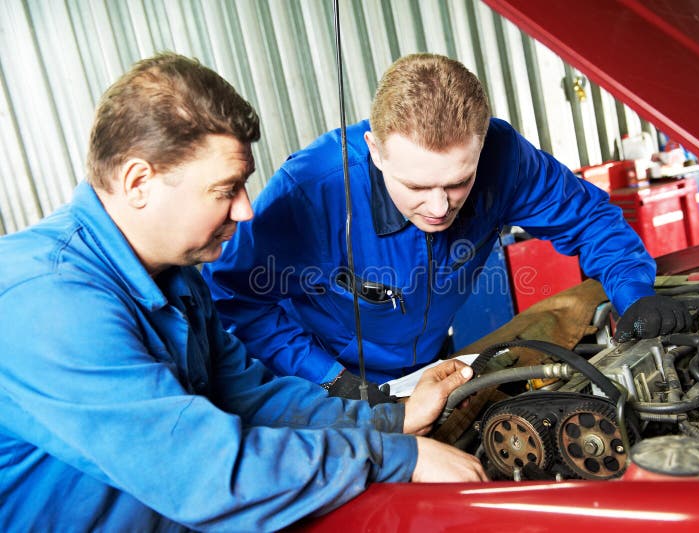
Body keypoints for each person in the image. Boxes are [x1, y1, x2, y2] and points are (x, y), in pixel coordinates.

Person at [0, 52, 487, 532]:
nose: (246, 210)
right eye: (225, 189)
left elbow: (251, 397)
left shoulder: (178, 277)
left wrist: (390, 421)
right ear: (138, 182)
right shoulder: (47, 301)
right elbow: (201, 470)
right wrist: (396, 457)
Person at [203, 53, 691, 403]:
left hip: (428, 364)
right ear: (374, 149)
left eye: (459, 182)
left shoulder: (504, 159)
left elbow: (590, 218)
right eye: (416, 185)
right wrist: (328, 378)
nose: (439, 207)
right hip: (320, 378)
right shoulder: (312, 190)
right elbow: (236, 298)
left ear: (481, 147)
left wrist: (634, 293)